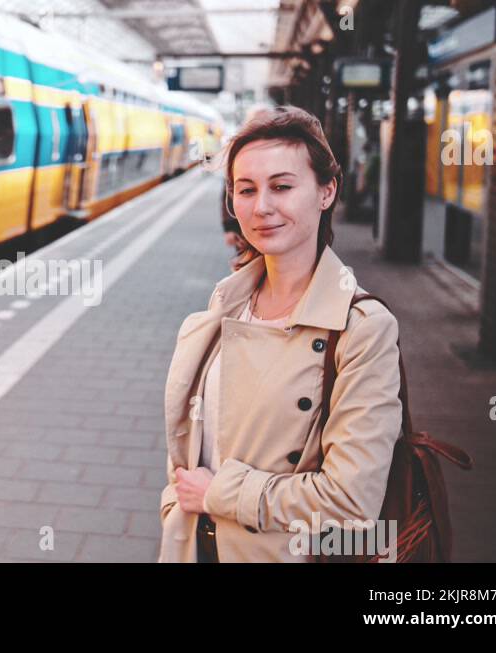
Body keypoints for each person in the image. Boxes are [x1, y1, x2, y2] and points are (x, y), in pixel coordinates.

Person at [158, 106, 403, 563]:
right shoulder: (218, 312)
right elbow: (186, 456)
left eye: (283, 187)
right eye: (245, 190)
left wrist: (218, 494)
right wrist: (175, 505)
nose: (262, 206)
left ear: (327, 192)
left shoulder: (360, 330)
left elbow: (352, 504)